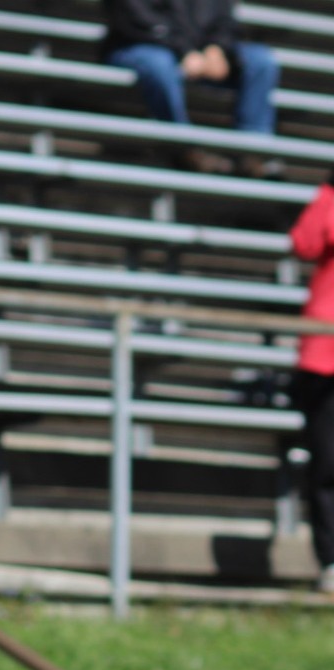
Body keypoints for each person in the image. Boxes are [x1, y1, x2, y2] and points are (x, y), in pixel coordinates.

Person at [101, 0, 281, 177]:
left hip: (197, 50)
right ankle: (182, 148)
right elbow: (137, 16)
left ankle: (252, 151)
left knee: (261, 61)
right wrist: (183, 50)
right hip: (140, 43)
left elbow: (224, 19)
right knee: (160, 64)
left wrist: (217, 48)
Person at [288, 169, 334, 596]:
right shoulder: (329, 201)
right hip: (324, 359)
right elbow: (304, 243)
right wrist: (329, 194)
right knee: (327, 464)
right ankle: (331, 561)